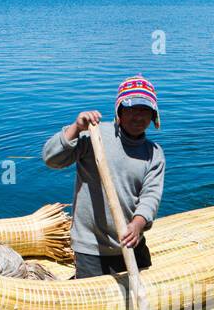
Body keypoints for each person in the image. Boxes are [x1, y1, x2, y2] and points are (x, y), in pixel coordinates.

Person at [42, 76, 164, 279]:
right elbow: (51, 159)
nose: (137, 117)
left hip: (131, 241)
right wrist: (76, 128)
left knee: (145, 291)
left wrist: (137, 224)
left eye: (144, 110)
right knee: (93, 302)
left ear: (153, 116)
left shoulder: (154, 153)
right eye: (131, 109)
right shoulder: (94, 135)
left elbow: (151, 196)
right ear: (119, 112)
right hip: (91, 247)